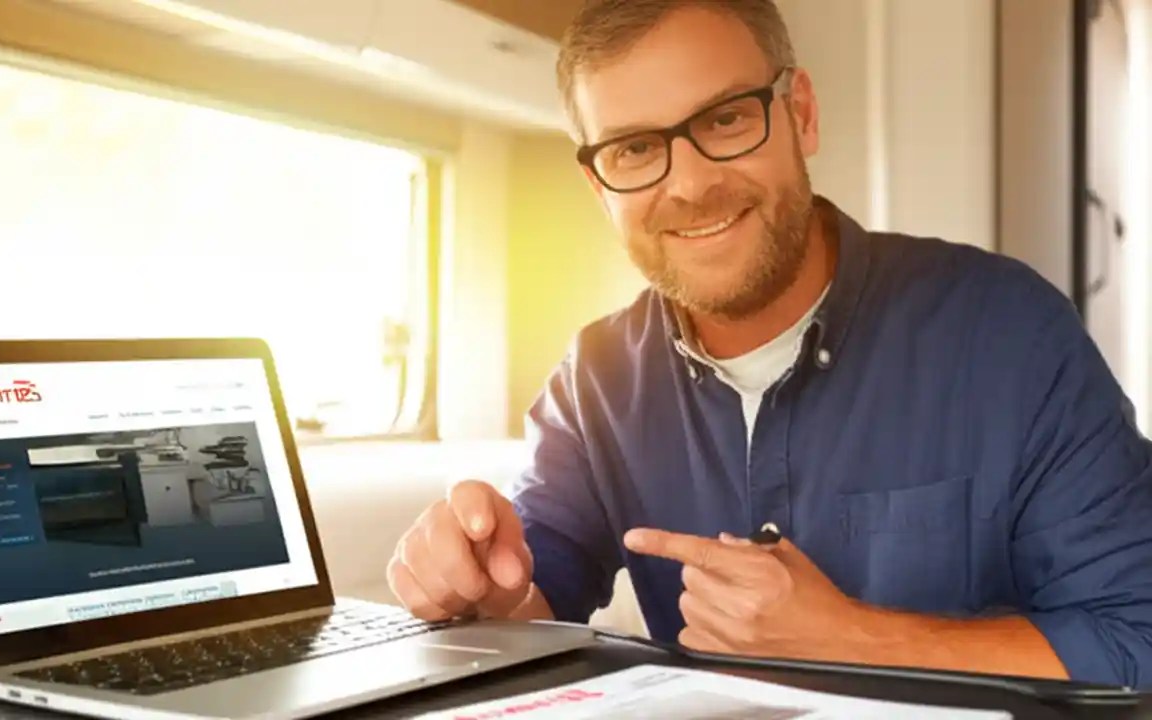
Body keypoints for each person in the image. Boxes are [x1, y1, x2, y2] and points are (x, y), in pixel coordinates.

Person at [386, 0, 1152, 688]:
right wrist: (482, 587)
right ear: (599, 186)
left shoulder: (1007, 334)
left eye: (724, 119)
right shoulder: (596, 382)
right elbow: (533, 595)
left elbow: (1137, 638)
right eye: (632, 150)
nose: (687, 186)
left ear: (802, 115)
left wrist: (856, 637)